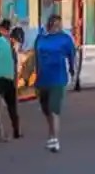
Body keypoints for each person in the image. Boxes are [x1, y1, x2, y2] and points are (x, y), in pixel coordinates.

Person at [32, 14, 76, 153]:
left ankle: (55, 139)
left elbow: (71, 55)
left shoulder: (65, 39)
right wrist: (36, 78)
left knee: (54, 109)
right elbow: (37, 59)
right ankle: (51, 134)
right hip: (43, 79)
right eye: (56, 24)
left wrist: (73, 71)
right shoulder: (40, 39)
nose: (58, 26)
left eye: (59, 24)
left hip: (58, 79)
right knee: (46, 110)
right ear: (50, 24)